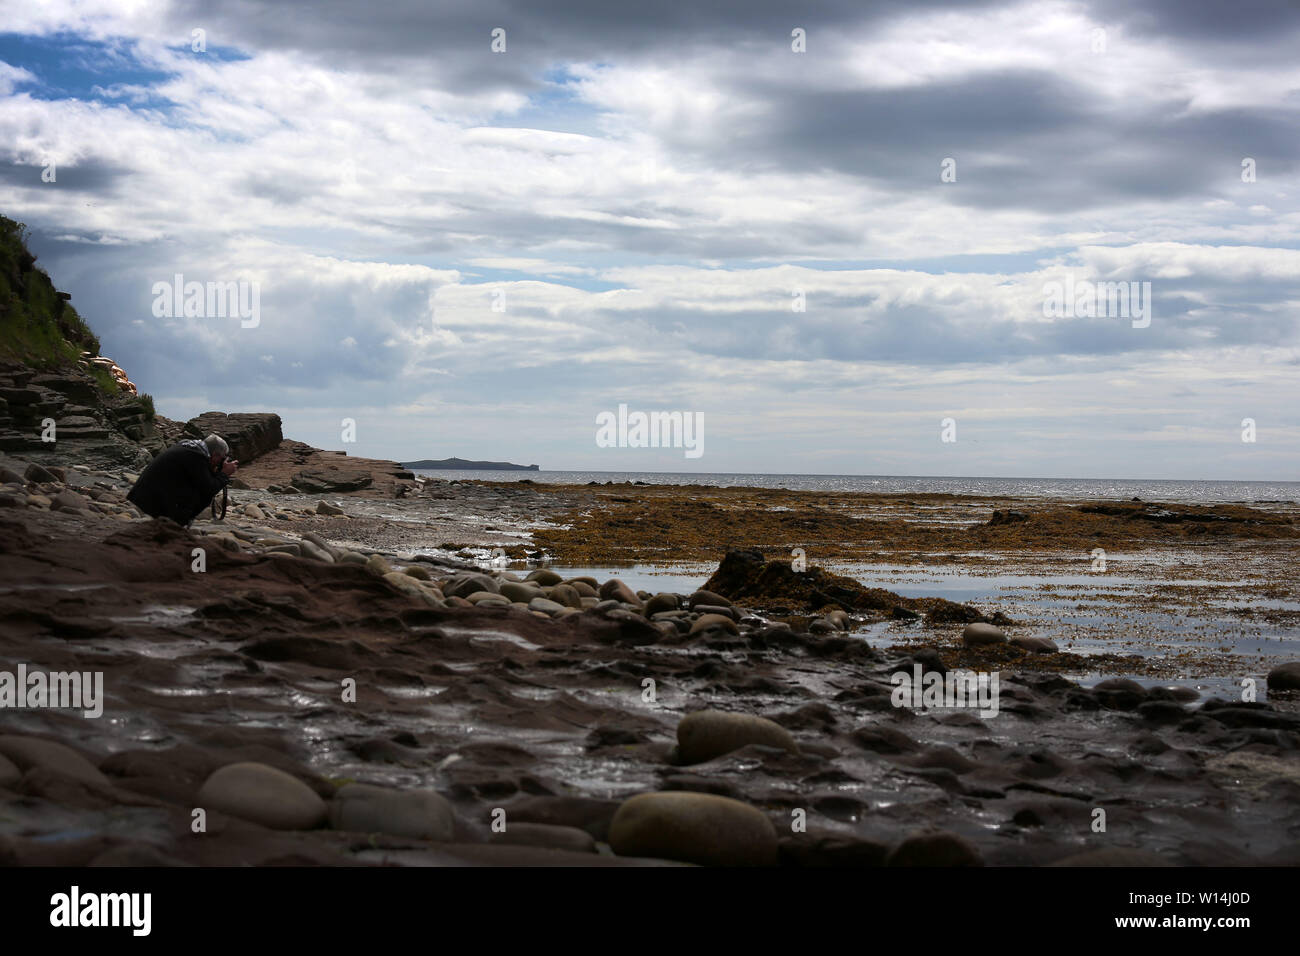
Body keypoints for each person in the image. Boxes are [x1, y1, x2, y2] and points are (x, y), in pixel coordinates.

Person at [127, 433, 238, 526]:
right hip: (149, 503)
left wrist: (216, 472)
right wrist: (224, 474)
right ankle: (176, 524)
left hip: (142, 495)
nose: (222, 462)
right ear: (215, 454)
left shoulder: (188, 447)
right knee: (203, 494)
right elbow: (209, 488)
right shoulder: (197, 457)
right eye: (222, 458)